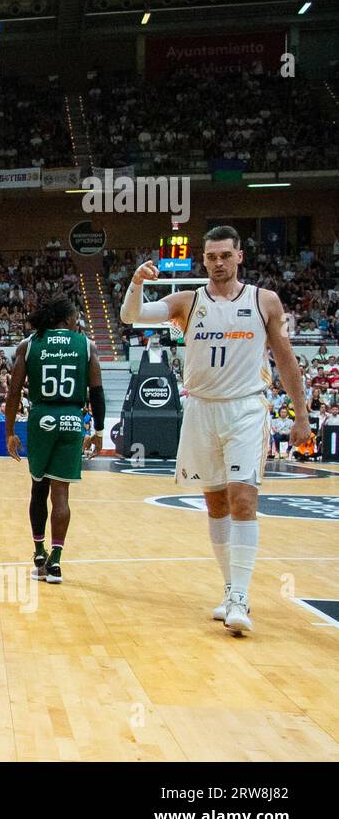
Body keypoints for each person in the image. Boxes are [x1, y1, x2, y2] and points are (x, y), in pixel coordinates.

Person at [120, 225, 310, 635]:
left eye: (225, 255)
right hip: (201, 408)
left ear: (240, 256)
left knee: (243, 498)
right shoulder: (187, 302)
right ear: (203, 260)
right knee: (216, 504)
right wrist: (136, 283)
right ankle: (230, 589)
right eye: (211, 257)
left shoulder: (264, 301)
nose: (218, 263)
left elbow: (287, 360)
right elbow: (131, 316)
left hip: (245, 408)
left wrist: (301, 415)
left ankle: (241, 597)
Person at [4, 296, 103, 584]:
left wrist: (9, 432)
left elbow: (13, 392)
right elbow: (96, 392)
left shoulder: (30, 344)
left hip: (42, 418)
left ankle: (38, 552)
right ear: (69, 320)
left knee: (38, 489)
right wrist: (97, 431)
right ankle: (56, 562)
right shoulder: (86, 345)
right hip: (72, 419)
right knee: (61, 494)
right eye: (76, 319)